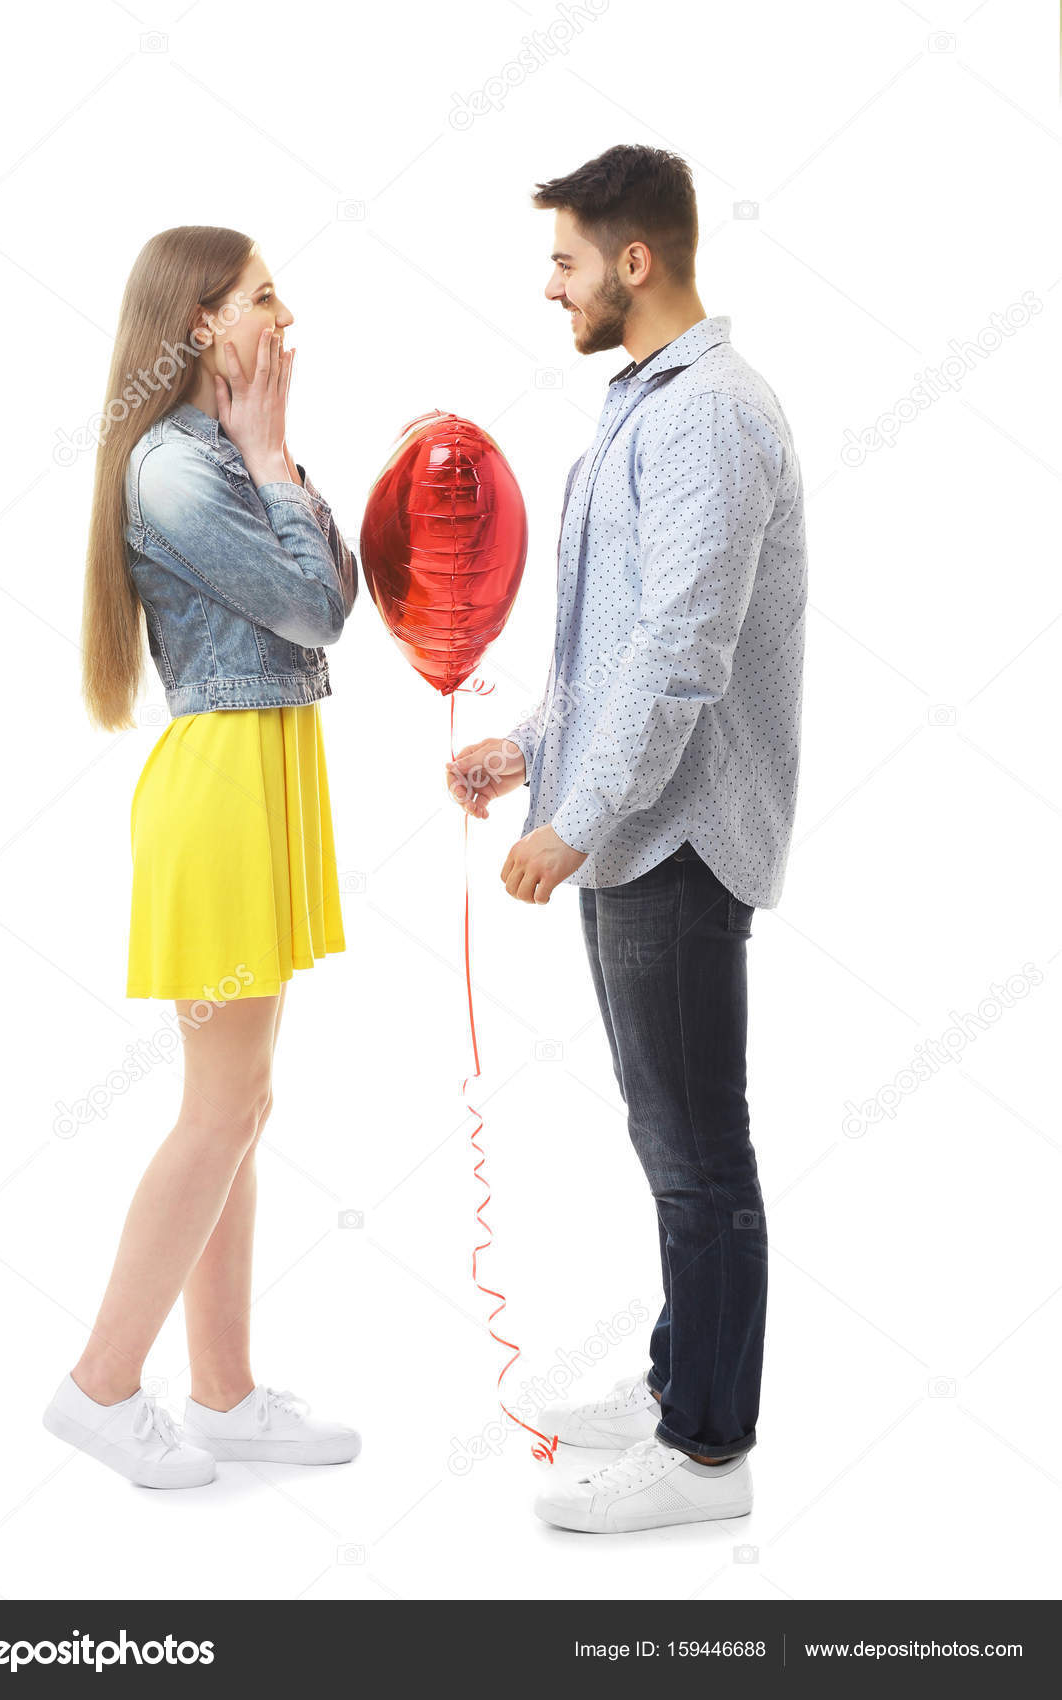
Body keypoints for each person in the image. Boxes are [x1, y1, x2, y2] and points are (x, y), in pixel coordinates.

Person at [447, 146, 807, 1534]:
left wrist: (577, 819)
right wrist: (527, 750)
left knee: (700, 1150)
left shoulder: (707, 415)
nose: (553, 288)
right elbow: (609, 649)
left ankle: (707, 1454)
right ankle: (678, 1385)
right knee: (672, 1140)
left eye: (566, 262)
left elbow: (680, 655)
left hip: (674, 838)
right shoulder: (647, 403)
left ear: (633, 261)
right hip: (628, 830)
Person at [43, 226, 361, 1488]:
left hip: (263, 769)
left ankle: (222, 1393)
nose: (285, 318)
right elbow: (315, 609)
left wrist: (272, 456)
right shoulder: (178, 465)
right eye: (262, 297)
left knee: (244, 1103)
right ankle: (99, 1384)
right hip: (222, 787)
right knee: (220, 1106)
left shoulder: (220, 449)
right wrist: (275, 457)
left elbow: (334, 588)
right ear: (199, 324)